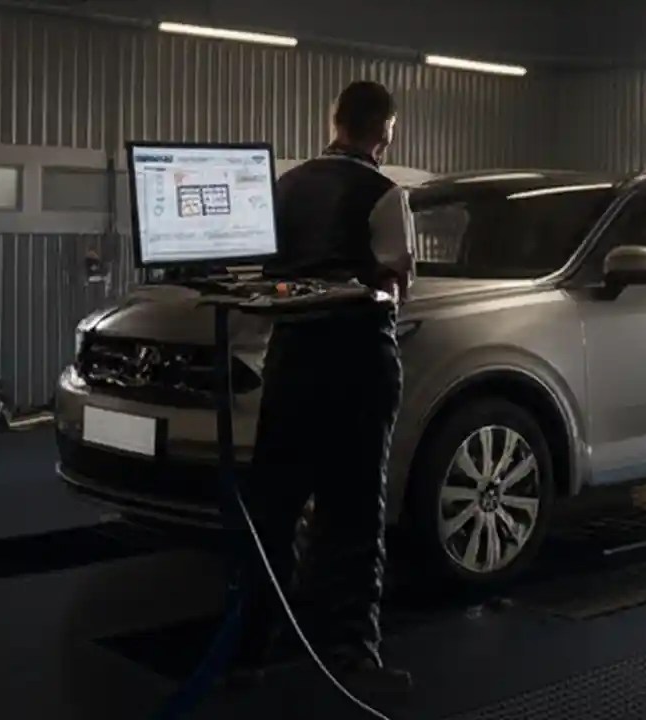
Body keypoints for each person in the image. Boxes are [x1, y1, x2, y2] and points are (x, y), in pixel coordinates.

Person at [235, 80, 415, 694]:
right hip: (358, 365)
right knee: (355, 513)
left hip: (291, 362)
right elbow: (395, 282)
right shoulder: (385, 193)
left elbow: (268, 269)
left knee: (275, 510)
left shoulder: (283, 185)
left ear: (333, 119)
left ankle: (252, 647)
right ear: (386, 132)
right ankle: (351, 657)